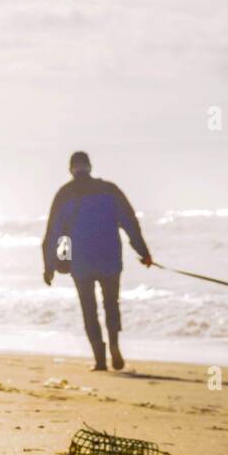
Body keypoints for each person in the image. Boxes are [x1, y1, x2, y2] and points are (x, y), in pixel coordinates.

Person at [41, 151, 153, 371]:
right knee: (111, 304)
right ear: (90, 167)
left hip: (81, 262)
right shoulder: (109, 190)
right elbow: (130, 222)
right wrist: (144, 252)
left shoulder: (64, 194)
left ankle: (99, 359)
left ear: (71, 169)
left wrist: (50, 265)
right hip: (110, 257)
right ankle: (114, 343)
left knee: (88, 308)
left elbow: (55, 232)